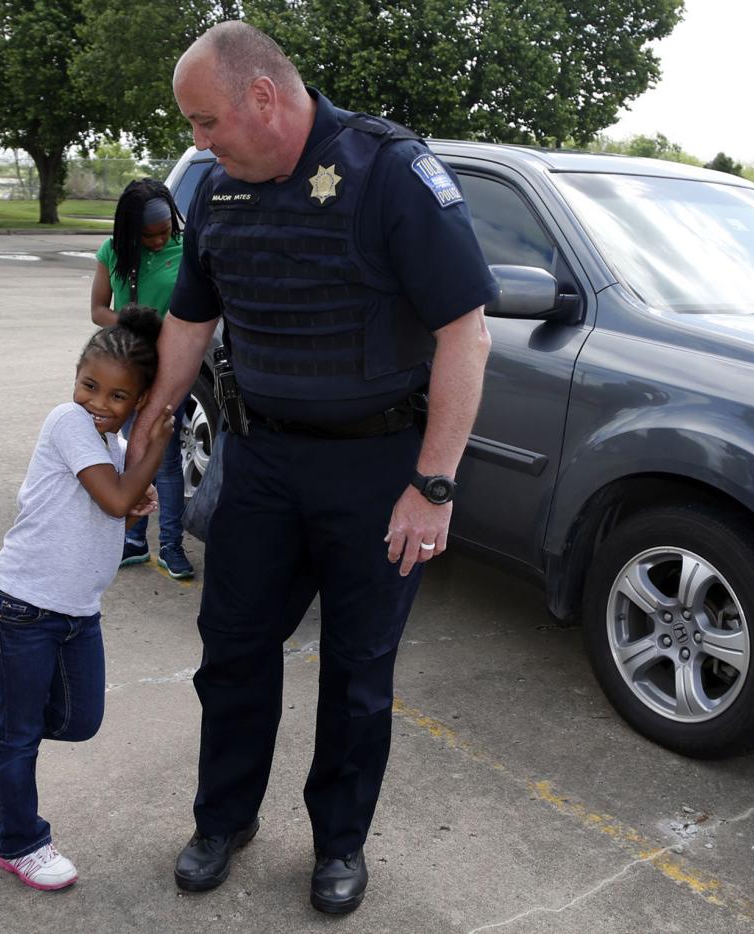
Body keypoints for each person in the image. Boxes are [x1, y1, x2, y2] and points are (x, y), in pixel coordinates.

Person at [127, 22, 497, 914]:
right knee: (234, 651)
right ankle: (223, 819)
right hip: (259, 464)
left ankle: (339, 843)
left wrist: (433, 484)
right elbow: (189, 320)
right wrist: (151, 427)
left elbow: (465, 333)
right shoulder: (218, 193)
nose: (197, 141)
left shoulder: (387, 173)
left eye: (206, 120)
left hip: (376, 474)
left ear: (263, 97)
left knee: (358, 673)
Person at [0, 304, 174, 891]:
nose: (98, 402)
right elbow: (114, 502)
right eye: (89, 384)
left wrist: (135, 483)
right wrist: (152, 458)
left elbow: (115, 502)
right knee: (22, 734)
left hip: (77, 614)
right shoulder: (67, 422)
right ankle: (20, 843)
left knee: (78, 719)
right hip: (21, 607)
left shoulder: (117, 451)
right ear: (75, 378)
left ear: (139, 400)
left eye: (119, 397)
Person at [89, 178, 194, 579]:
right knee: (125, 453)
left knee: (163, 460)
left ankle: (171, 545)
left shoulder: (186, 251)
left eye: (163, 233)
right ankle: (132, 541)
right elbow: (99, 310)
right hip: (122, 370)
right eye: (147, 236)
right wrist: (131, 323)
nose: (156, 241)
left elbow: (196, 317)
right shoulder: (113, 251)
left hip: (167, 373)